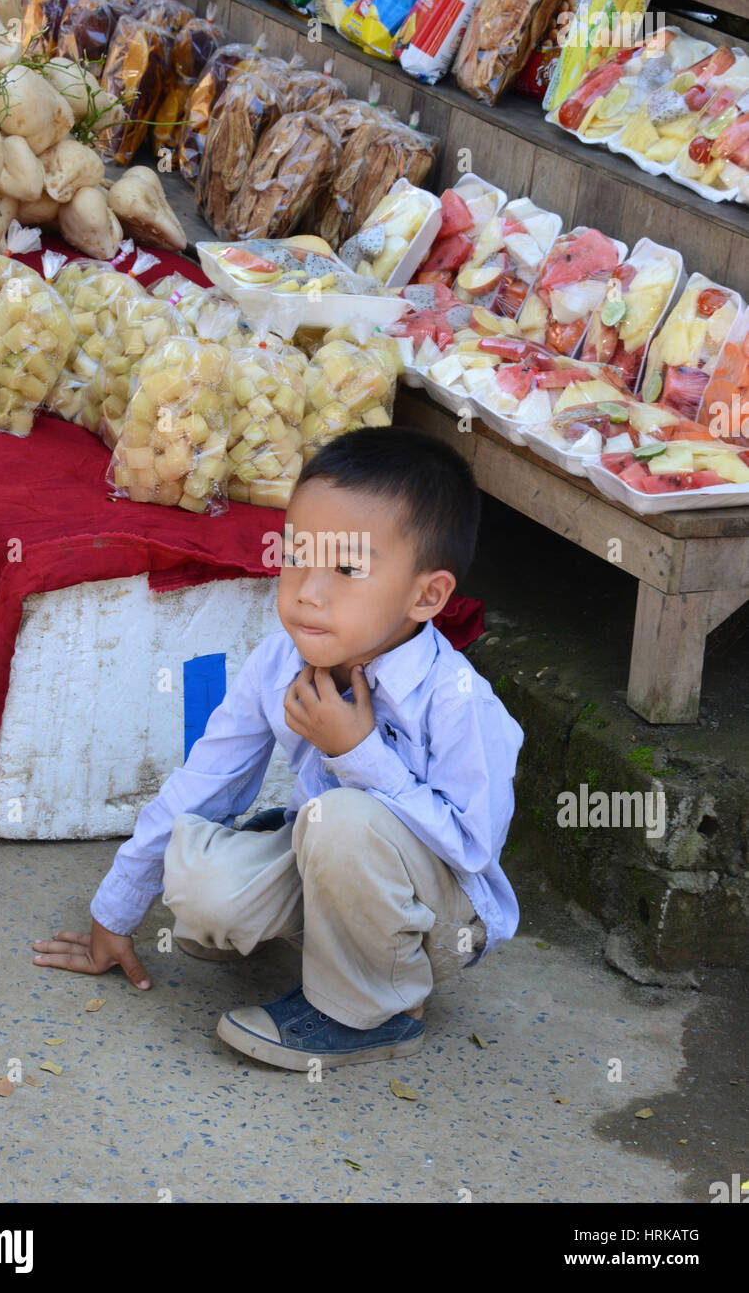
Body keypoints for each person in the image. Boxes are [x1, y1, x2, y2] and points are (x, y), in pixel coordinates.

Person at [34, 426, 524, 1070]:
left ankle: (372, 1008)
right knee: (203, 880)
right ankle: (324, 929)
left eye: (348, 568)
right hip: (333, 856)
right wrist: (116, 912)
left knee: (338, 817)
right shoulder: (278, 662)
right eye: (297, 555)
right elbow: (203, 782)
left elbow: (470, 846)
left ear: (427, 595)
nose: (307, 592)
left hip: (444, 917)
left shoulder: (459, 701)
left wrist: (357, 752)